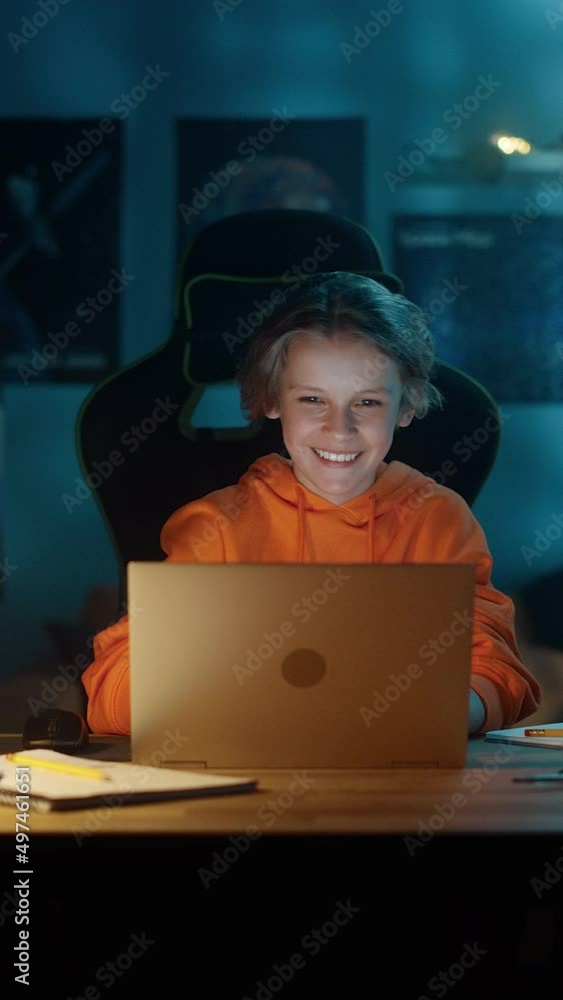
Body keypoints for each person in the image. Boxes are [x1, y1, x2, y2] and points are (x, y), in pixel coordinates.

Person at [81, 271, 541, 735]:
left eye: (366, 403)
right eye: (313, 399)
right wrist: (218, 700)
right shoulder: (218, 528)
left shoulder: (438, 521)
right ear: (273, 399)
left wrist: (443, 712)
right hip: (248, 763)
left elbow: (495, 665)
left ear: (407, 405)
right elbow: (112, 687)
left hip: (402, 765)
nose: (339, 429)